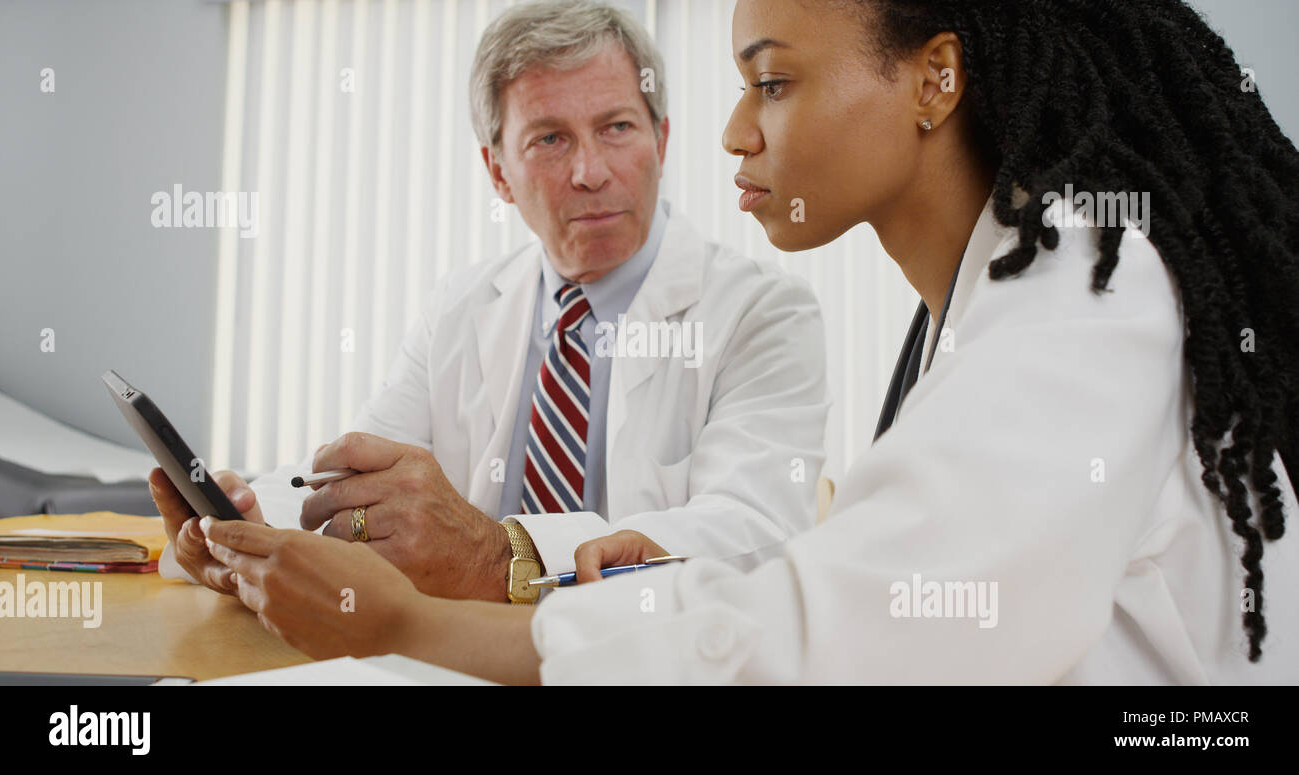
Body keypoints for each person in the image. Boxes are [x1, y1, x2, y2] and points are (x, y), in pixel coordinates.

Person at [202, 0, 1299, 684]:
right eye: (549, 139)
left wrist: (426, 610)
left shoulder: (1080, 293)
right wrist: (268, 528)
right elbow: (842, 584)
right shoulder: (973, 311)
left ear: (936, 77)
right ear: (498, 169)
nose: (735, 131)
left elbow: (819, 636)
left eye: (770, 81)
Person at [151, 0, 829, 605]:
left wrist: (501, 557)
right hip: (454, 659)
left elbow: (754, 537)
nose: (590, 171)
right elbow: (354, 484)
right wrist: (241, 521)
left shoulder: (762, 313)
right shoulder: (460, 306)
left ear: (662, 140)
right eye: (550, 139)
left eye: (618, 127)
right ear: (498, 172)